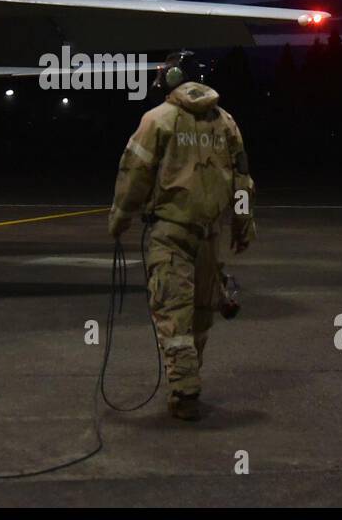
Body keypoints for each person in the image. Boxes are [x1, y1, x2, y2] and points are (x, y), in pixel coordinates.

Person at [108, 51, 255, 420]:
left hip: (171, 233)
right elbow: (242, 182)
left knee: (174, 314)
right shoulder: (226, 123)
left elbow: (134, 174)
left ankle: (185, 391)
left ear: (172, 78)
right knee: (202, 315)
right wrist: (243, 223)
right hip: (210, 236)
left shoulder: (157, 120)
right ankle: (187, 383)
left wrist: (120, 219)